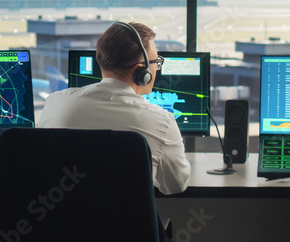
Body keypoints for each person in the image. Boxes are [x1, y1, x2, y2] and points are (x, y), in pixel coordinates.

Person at [38, 21, 191, 194]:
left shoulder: (55, 103)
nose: (157, 68)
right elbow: (176, 185)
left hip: (59, 219)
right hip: (126, 221)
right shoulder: (161, 122)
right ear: (142, 72)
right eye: (156, 62)